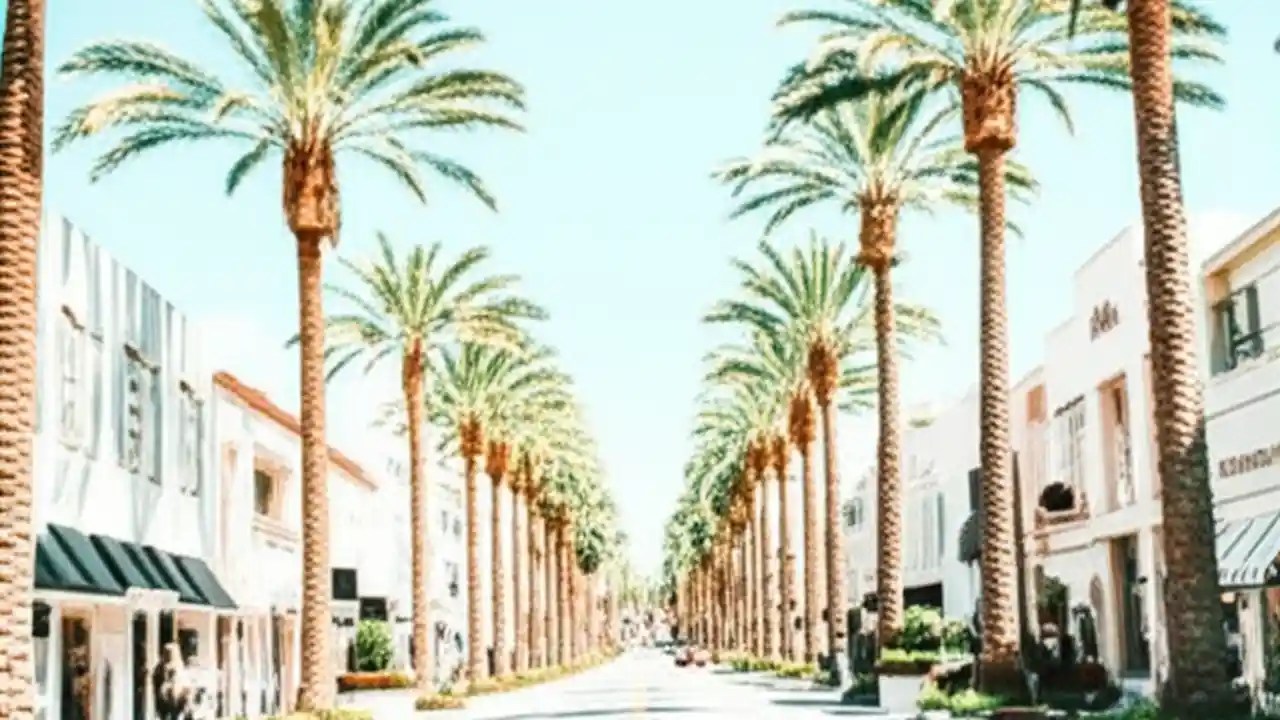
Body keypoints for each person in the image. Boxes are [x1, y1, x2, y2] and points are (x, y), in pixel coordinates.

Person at [153, 643, 191, 720]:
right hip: (167, 701)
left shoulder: (178, 667)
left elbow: (185, 686)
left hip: (175, 700)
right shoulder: (161, 668)